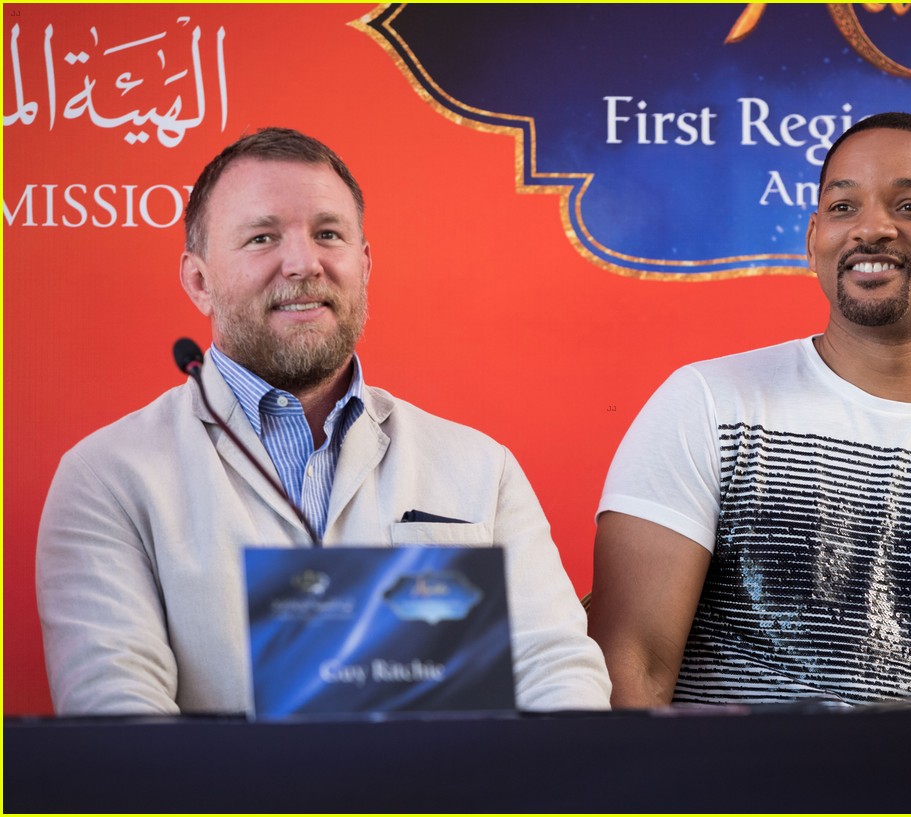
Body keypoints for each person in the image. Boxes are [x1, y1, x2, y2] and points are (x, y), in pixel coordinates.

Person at [36, 127, 611, 715]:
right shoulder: (107, 477)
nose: (303, 263)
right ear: (199, 282)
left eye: (328, 234)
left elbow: (556, 670)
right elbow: (117, 714)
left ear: (364, 266)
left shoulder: (481, 468)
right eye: (262, 238)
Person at [589, 112, 911, 710]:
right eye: (843, 208)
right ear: (814, 237)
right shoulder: (710, 403)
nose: (871, 229)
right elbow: (629, 667)